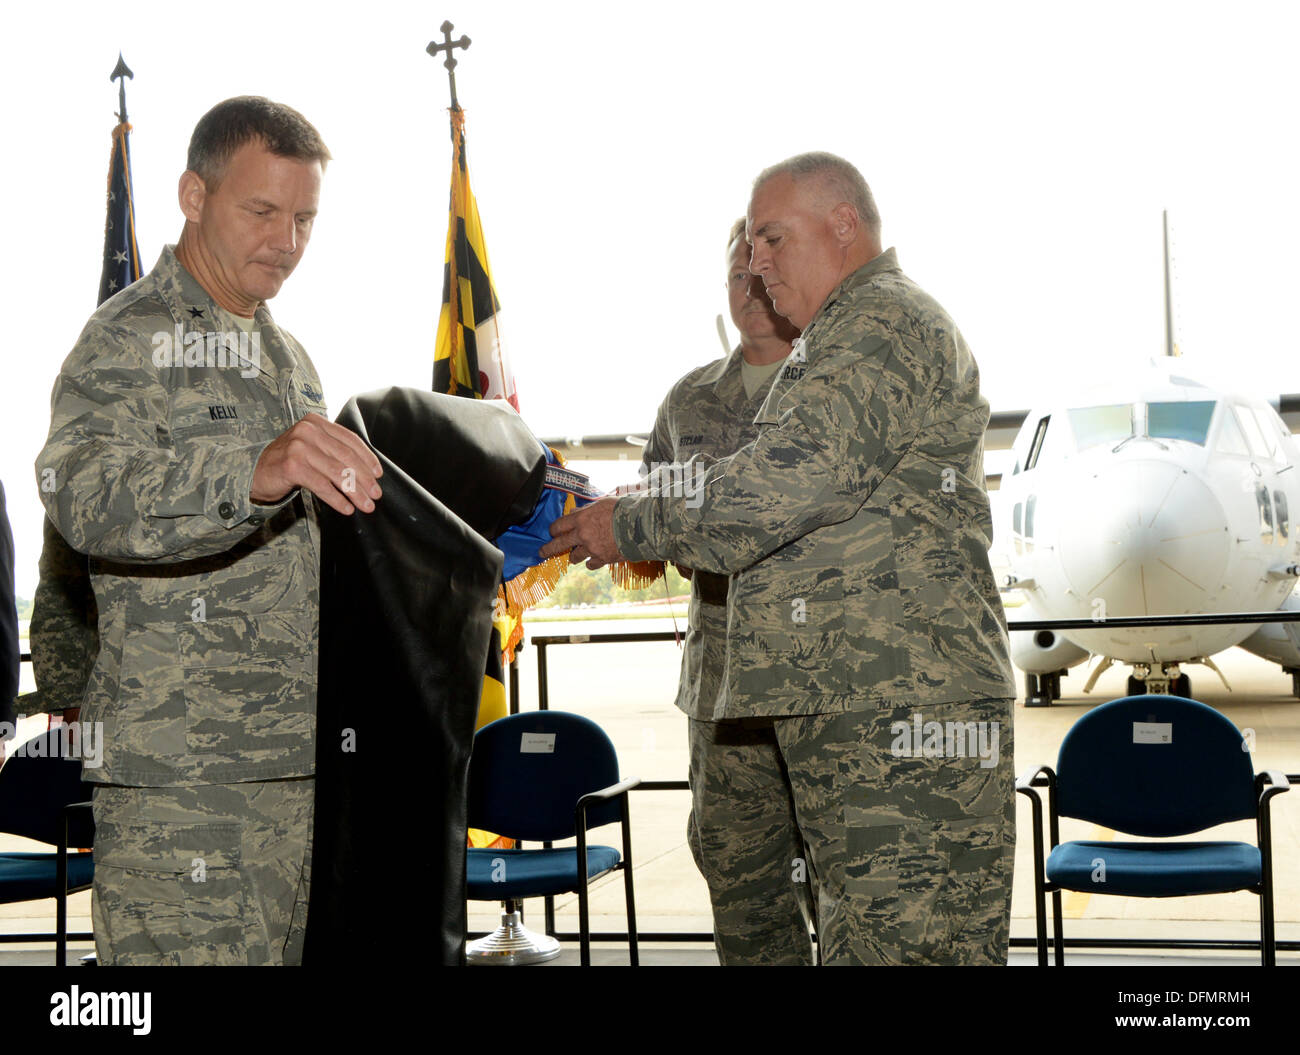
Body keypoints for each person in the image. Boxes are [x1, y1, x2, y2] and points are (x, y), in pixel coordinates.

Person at [545, 152, 1017, 965]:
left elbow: (784, 484)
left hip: (904, 729)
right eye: (749, 248)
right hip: (856, 714)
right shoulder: (832, 340)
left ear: (844, 226)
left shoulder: (883, 323)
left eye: (771, 238)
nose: (755, 265)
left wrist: (628, 524)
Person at [35, 96, 383, 966]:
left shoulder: (287, 356)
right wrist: (247, 473)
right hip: (182, 781)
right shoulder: (124, 340)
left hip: (292, 765)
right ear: (194, 195)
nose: (287, 241)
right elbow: (78, 493)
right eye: (262, 211)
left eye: (305, 218)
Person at [642, 219, 815, 964]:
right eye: (735, 273)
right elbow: (652, 514)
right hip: (722, 700)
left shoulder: (827, 388)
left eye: (762, 270)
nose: (750, 286)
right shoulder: (687, 402)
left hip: (818, 690)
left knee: (846, 894)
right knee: (742, 892)